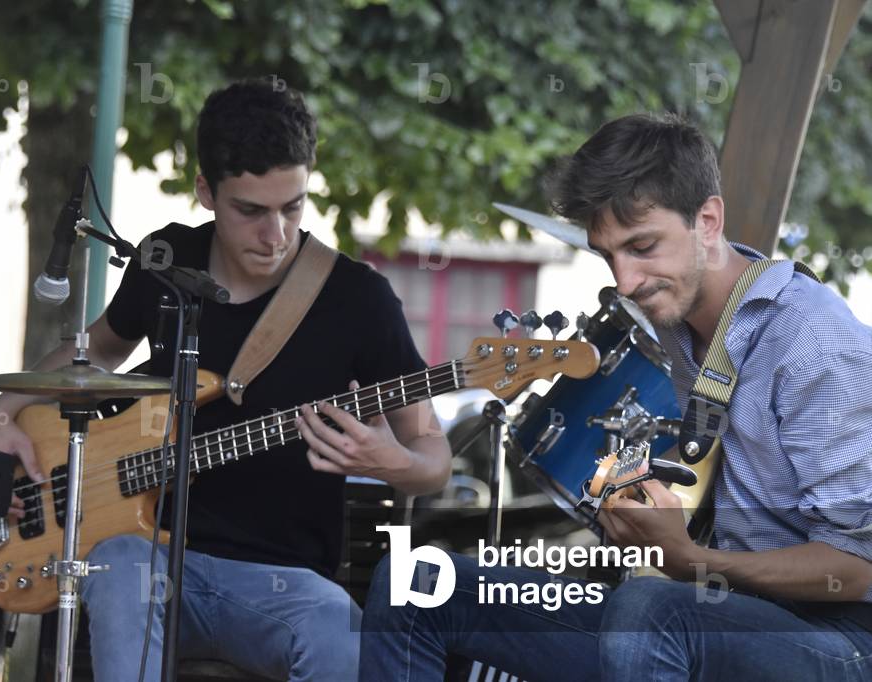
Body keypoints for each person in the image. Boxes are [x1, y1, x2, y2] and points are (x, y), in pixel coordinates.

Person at [359, 113, 872, 681]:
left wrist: (694, 561)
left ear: (707, 221)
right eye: (608, 256)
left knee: (650, 610)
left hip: (841, 641)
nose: (625, 281)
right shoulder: (685, 323)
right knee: (415, 583)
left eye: (642, 246)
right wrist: (630, 497)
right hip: (724, 616)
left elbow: (855, 566)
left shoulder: (816, 344)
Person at [0, 78, 451, 681]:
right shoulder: (165, 261)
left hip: (285, 587)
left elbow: (433, 454)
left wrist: (394, 463)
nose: (275, 235)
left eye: (292, 207)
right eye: (251, 211)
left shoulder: (358, 299)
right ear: (206, 191)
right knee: (116, 565)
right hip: (154, 563)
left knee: (342, 630)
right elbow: (93, 353)